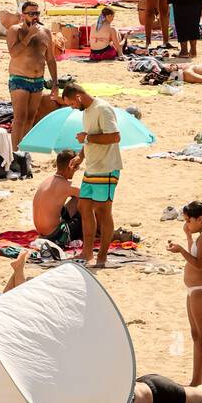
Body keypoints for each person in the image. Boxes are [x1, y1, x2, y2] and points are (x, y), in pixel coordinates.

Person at [62, 81, 122, 268]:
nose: (73, 107)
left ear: (78, 97)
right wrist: (80, 156)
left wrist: (87, 138)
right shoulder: (87, 112)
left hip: (107, 168)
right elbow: (89, 139)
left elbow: (114, 137)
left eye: (72, 104)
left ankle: (102, 256)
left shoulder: (103, 109)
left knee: (103, 212)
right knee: (84, 207)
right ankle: (87, 252)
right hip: (93, 167)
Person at [166, 201, 202, 386]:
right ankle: (196, 381)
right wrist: (188, 237)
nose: (187, 223)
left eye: (189, 221)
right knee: (197, 336)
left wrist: (181, 250)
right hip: (195, 290)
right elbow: (196, 256)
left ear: (200, 219)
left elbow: (199, 264)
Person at [6, 1, 59, 149]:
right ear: (23, 15)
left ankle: (25, 151)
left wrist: (55, 83)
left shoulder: (45, 32)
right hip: (19, 78)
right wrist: (29, 35)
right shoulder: (15, 30)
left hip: (38, 81)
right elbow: (13, 53)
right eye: (31, 13)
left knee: (31, 118)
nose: (34, 16)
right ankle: (15, 153)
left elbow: (50, 59)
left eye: (37, 13)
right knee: (20, 118)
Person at [32, 149, 83, 247]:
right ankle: (100, 234)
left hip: (42, 232)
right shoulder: (65, 186)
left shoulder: (48, 181)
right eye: (76, 167)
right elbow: (88, 197)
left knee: (76, 200)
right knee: (87, 207)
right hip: (55, 236)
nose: (76, 170)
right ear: (70, 166)